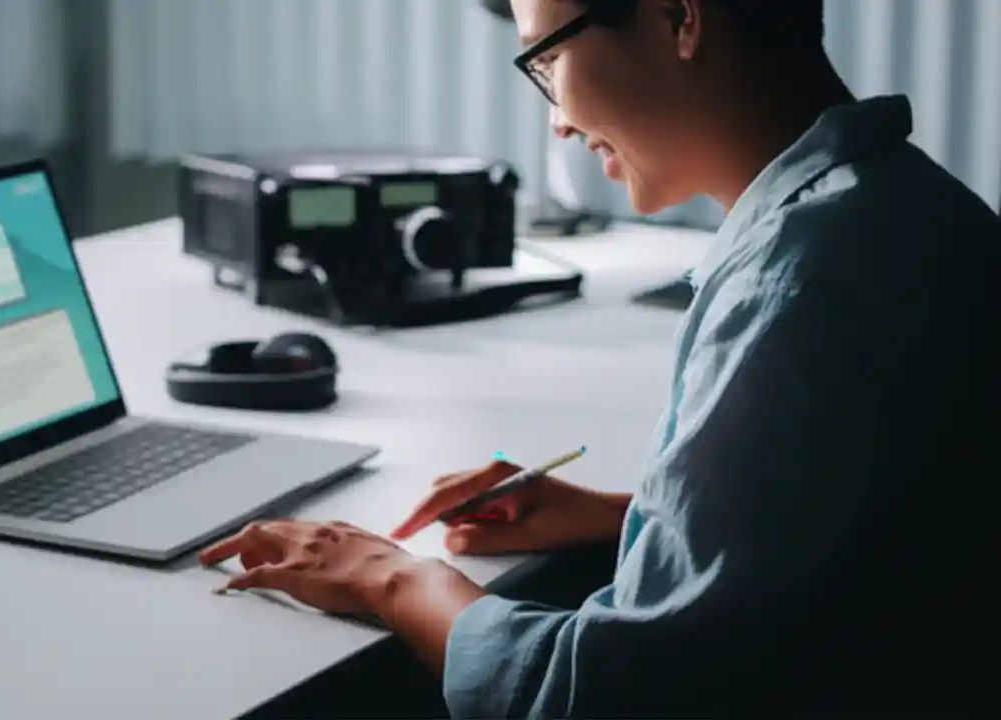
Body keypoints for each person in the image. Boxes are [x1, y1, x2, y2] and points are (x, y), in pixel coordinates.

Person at [201, 0, 1001, 716]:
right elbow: (884, 534)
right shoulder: (911, 208)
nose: (556, 122)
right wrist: (637, 516)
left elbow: (609, 695)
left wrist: (394, 576)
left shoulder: (798, 284)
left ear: (680, 17)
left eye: (547, 58)